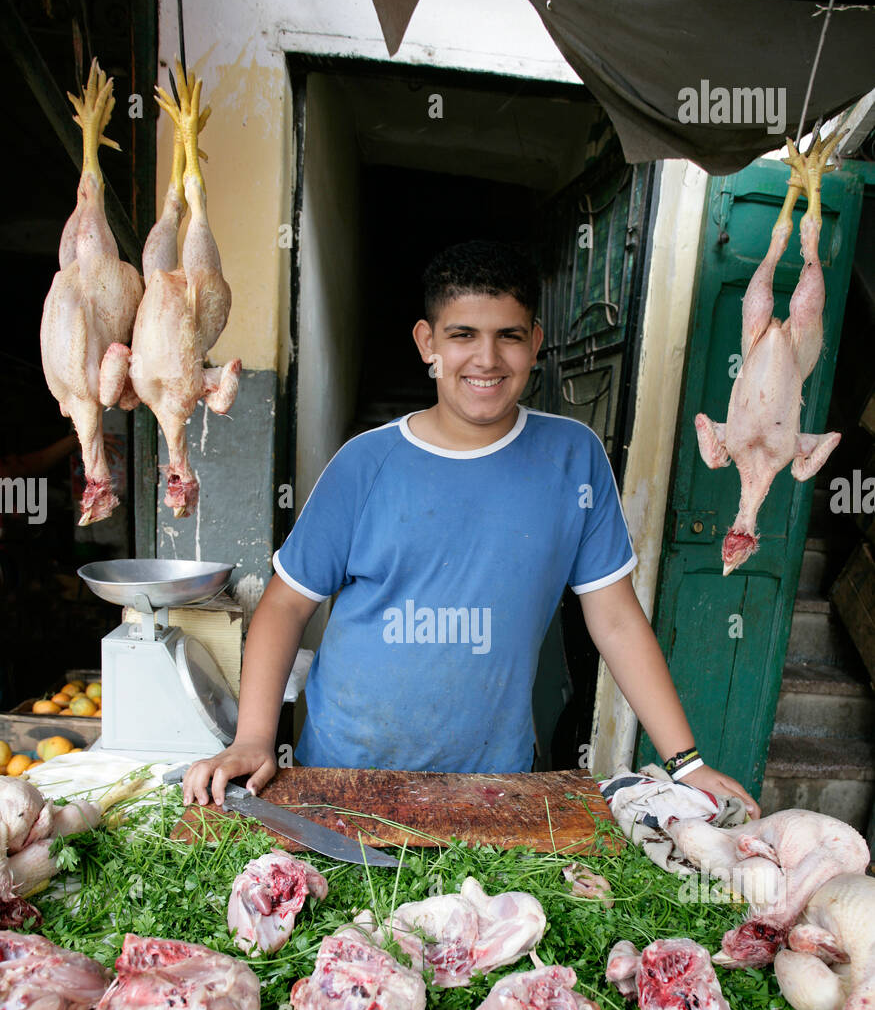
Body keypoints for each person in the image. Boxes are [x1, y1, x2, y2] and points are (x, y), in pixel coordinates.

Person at [183, 241, 759, 817]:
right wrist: (256, 739)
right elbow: (286, 606)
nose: (486, 359)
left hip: (491, 783)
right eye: (462, 335)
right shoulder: (364, 464)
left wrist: (687, 763)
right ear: (427, 343)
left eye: (508, 335)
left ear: (535, 341)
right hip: (343, 772)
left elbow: (615, 618)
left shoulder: (572, 458)